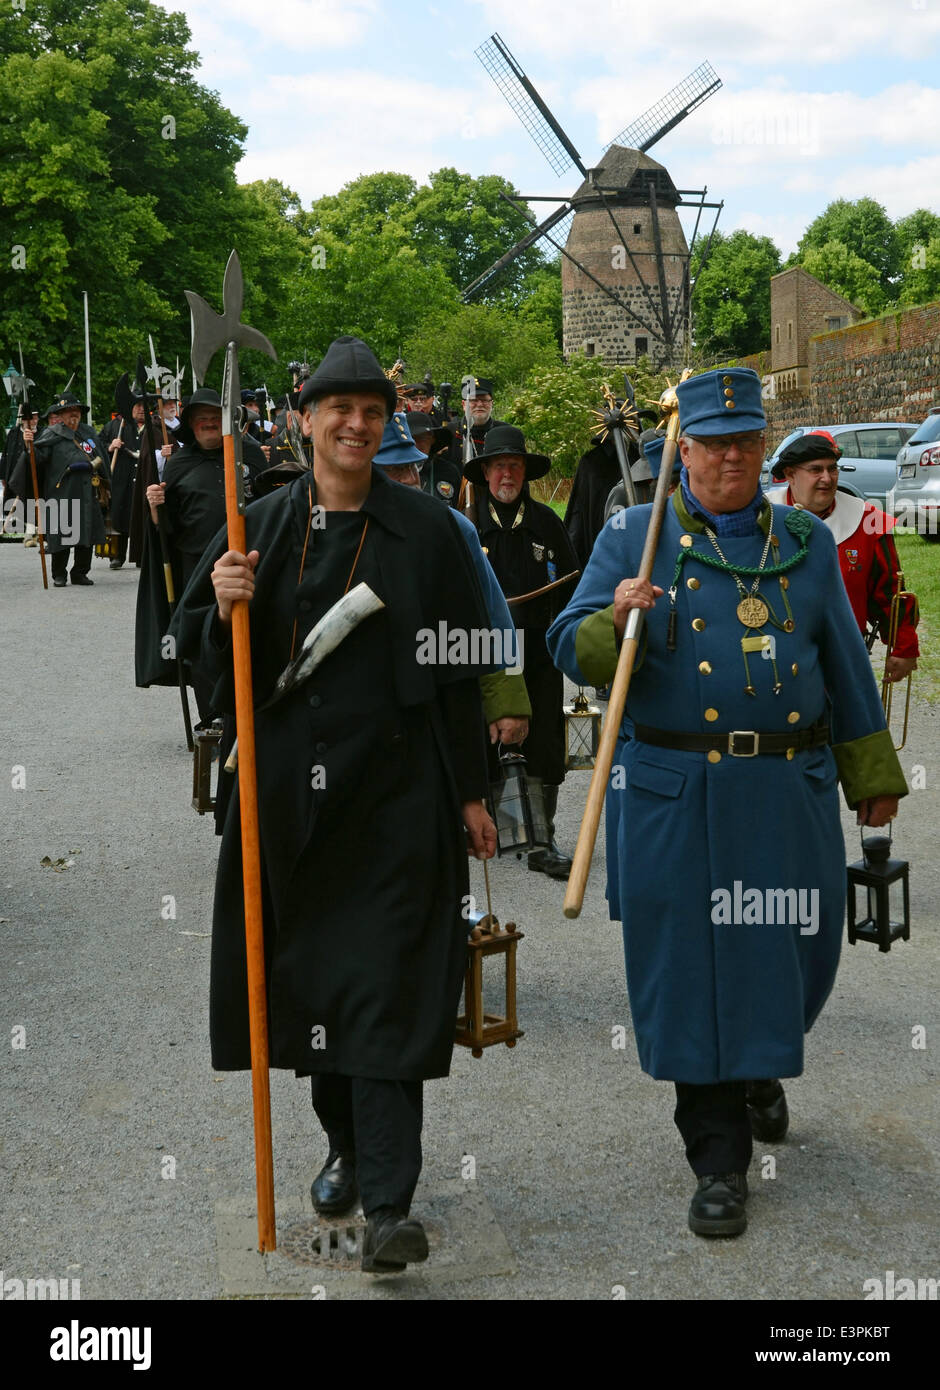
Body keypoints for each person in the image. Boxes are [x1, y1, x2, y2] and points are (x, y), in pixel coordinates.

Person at [547, 367, 908, 1237]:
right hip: (673, 797)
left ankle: (757, 1066)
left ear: (763, 450)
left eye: (746, 442)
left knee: (797, 951)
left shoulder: (804, 541)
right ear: (687, 450)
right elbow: (568, 645)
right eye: (713, 444)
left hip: (786, 790)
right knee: (688, 975)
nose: (730, 458)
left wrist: (873, 780)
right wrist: (613, 617)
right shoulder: (636, 536)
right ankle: (716, 1159)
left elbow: (842, 662)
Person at [170, 336, 499, 1274]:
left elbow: (459, 670)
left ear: (387, 423)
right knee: (315, 986)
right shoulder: (257, 525)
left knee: (390, 987)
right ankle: (346, 1147)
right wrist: (218, 605)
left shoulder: (430, 531)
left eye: (372, 411)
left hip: (398, 799)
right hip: (288, 802)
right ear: (305, 418)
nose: (355, 424)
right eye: (337, 409)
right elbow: (192, 659)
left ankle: (390, 1203)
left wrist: (473, 792)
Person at [373, 411, 531, 750]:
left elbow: (493, 612)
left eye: (413, 468)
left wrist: (507, 700)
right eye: (395, 470)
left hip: (442, 693)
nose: (410, 480)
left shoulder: (455, 528)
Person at [465, 424, 580, 878]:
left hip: (539, 649)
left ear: (525, 472)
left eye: (514, 465)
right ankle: (486, 829)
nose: (507, 475)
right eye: (498, 467)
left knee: (545, 740)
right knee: (478, 737)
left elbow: (574, 586)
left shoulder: (547, 524)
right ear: (486, 473)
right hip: (481, 652)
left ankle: (541, 839)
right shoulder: (467, 526)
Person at [135, 388, 265, 717]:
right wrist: (155, 508)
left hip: (251, 563)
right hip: (197, 569)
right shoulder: (180, 464)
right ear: (191, 425)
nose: (208, 424)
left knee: (257, 636)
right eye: (201, 419)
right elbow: (165, 531)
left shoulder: (248, 456)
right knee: (205, 642)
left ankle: (256, 714)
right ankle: (213, 719)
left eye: (214, 418)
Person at [766, 431, 919, 683]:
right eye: (816, 470)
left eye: (832, 469)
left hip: (843, 653)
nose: (827, 478)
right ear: (791, 474)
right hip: (773, 656)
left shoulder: (867, 520)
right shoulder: (760, 518)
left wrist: (904, 646)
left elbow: (890, 591)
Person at [22, 393, 109, 586]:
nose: (73, 415)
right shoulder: (52, 433)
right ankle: (59, 574)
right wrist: (29, 445)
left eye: (76, 411)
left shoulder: (88, 434)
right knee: (61, 534)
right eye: (68, 411)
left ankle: (80, 572)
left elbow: (99, 454)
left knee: (86, 533)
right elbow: (37, 459)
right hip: (62, 493)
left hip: (88, 492)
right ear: (60, 415)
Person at [100, 392, 145, 569]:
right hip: (120, 480)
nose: (141, 409)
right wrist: (110, 446)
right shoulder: (114, 427)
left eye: (143, 405)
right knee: (118, 515)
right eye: (137, 405)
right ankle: (116, 556)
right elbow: (96, 446)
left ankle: (141, 555)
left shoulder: (153, 426)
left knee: (141, 517)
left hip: (142, 480)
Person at [407, 411, 462, 506]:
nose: (415, 444)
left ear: (432, 439)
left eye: (421, 438)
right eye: (411, 439)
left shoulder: (449, 472)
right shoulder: (392, 472)